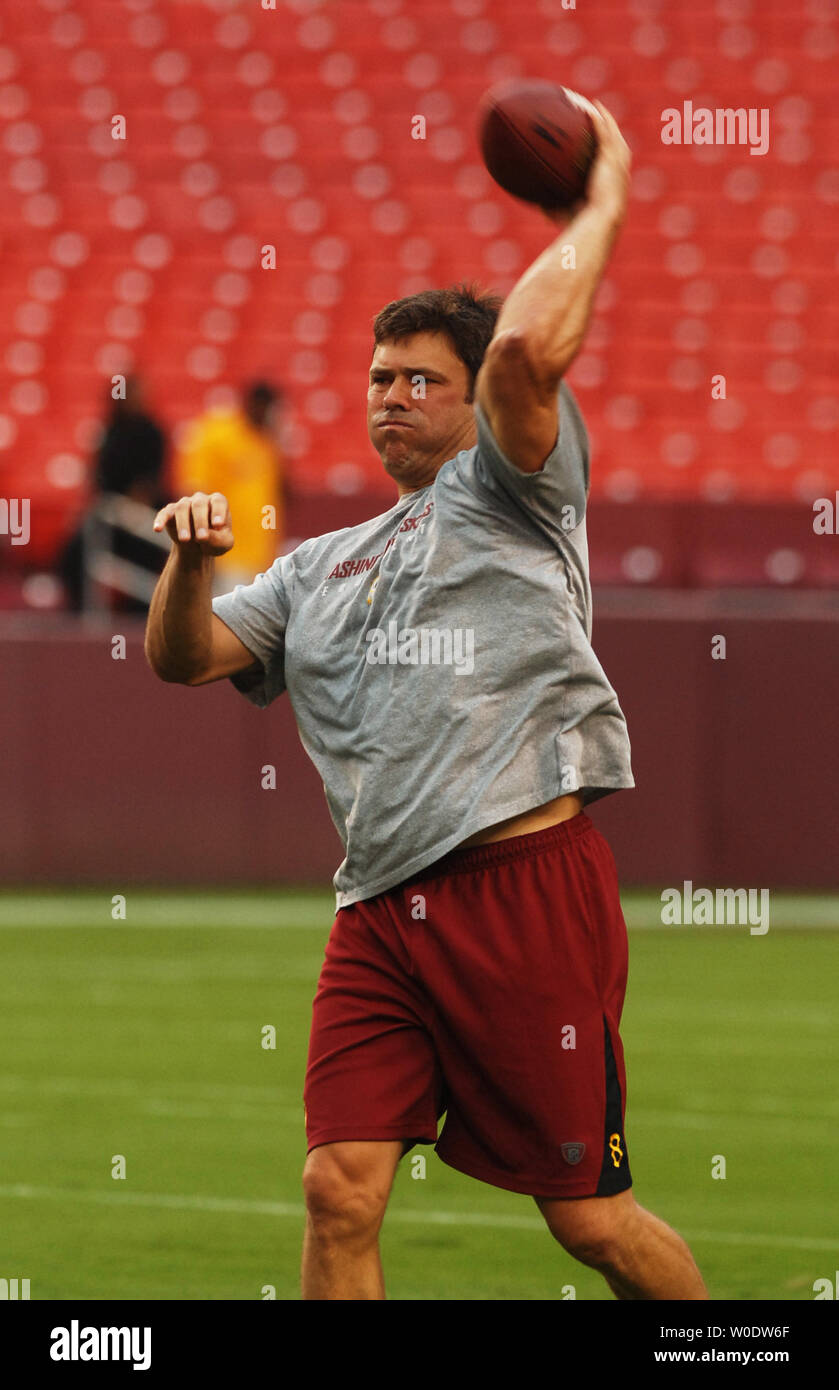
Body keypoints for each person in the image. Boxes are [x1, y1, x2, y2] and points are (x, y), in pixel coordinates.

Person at [144, 103, 707, 1301]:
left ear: (467, 399)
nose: (391, 395)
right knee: (335, 1187)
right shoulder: (318, 562)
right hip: (380, 913)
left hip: (523, 892)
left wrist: (594, 205)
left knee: (590, 1220)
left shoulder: (515, 490)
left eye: (419, 379)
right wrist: (191, 564)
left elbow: (520, 358)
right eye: (376, 377)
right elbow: (181, 661)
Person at [58, 373, 167, 611]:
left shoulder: (153, 431)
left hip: (144, 513)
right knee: (74, 551)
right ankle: (81, 609)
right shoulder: (111, 430)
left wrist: (138, 502)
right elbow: (100, 475)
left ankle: (142, 615)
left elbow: (153, 478)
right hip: (110, 510)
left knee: (145, 555)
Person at [172, 380, 284, 593]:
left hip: (263, 552)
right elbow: (196, 490)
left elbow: (281, 491)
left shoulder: (267, 443)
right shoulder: (219, 435)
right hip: (229, 551)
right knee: (228, 617)